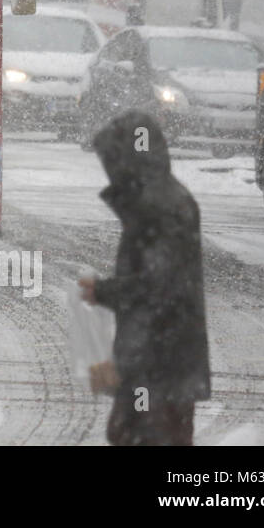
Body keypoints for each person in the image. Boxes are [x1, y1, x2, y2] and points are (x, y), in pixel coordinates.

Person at [78, 110, 210, 445]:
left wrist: (104, 292)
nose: (110, 172)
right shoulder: (159, 200)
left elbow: (158, 286)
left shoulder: (160, 207)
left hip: (160, 366)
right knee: (131, 434)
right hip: (159, 362)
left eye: (112, 160)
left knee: (141, 436)